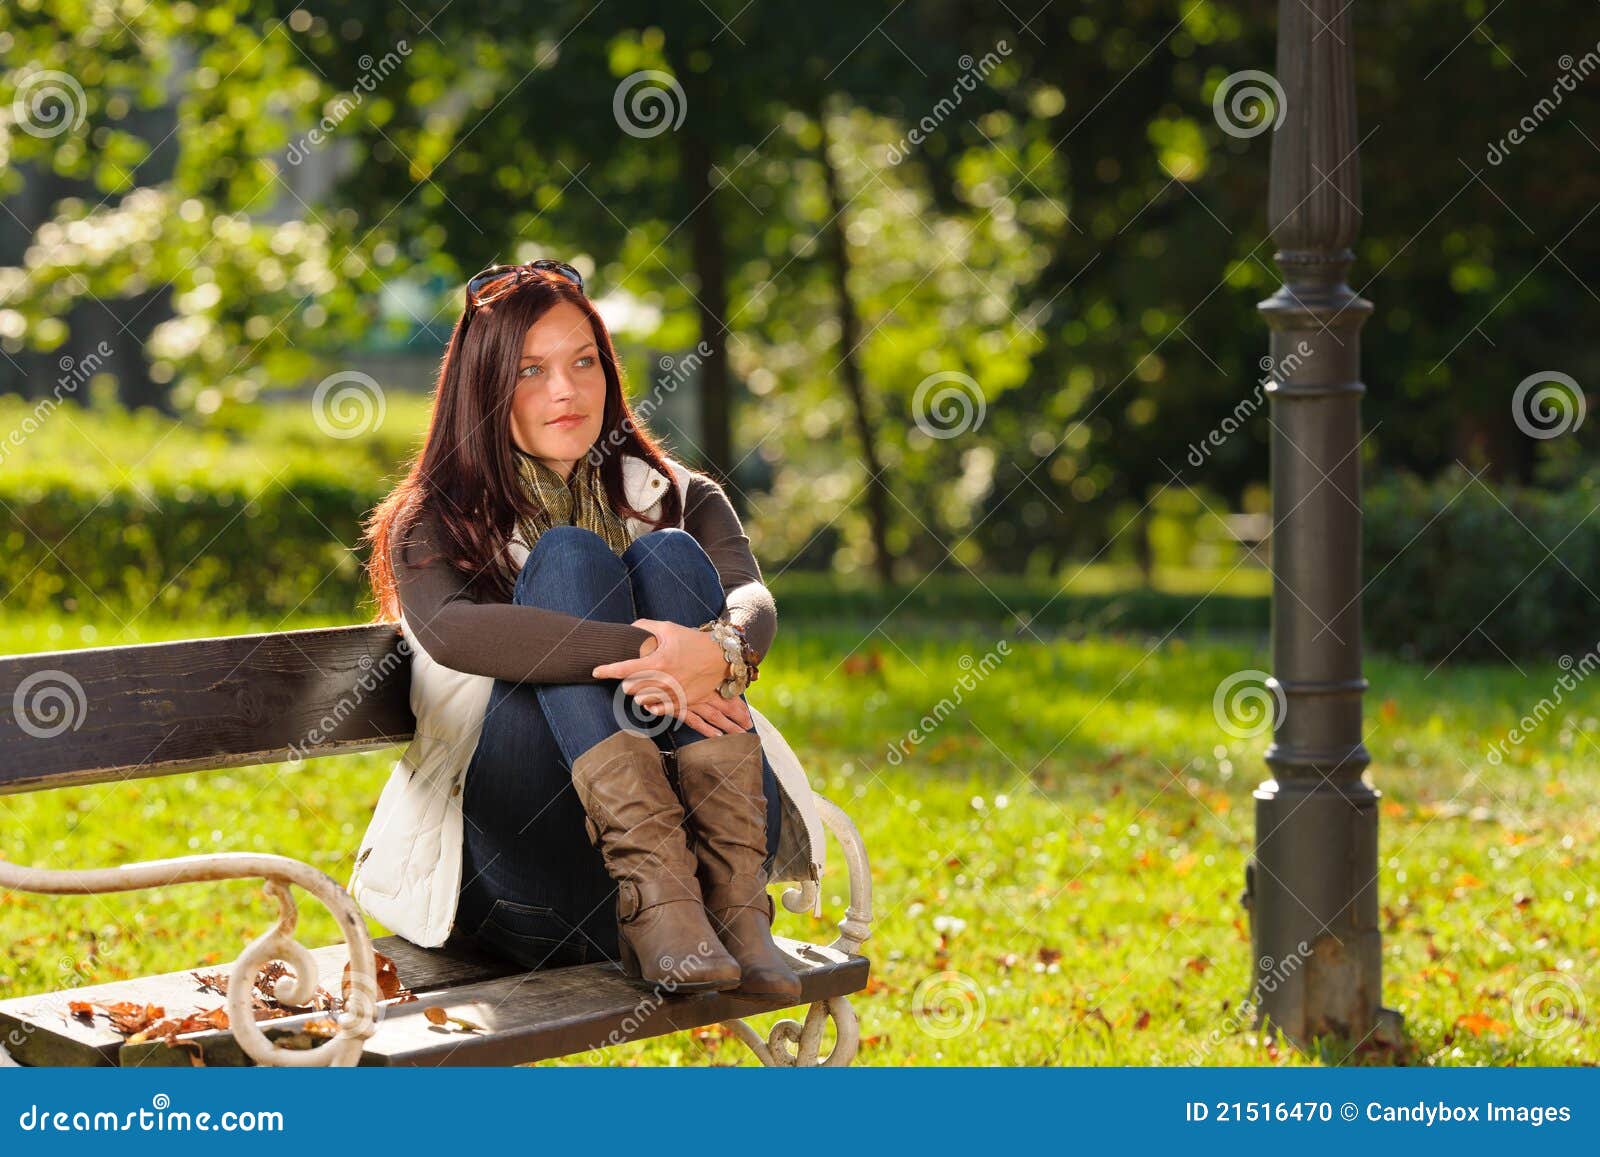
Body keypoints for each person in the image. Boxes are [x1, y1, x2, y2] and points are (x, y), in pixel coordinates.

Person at [354, 258, 799, 1000]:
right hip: (528, 881)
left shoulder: (675, 495)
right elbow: (455, 633)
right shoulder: (436, 518)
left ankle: (734, 908)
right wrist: (668, 654)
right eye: (530, 370)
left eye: (583, 361)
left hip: (711, 876)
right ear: (485, 386)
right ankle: (656, 897)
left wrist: (724, 646)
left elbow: (750, 595)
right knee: (568, 560)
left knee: (669, 553)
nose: (566, 390)